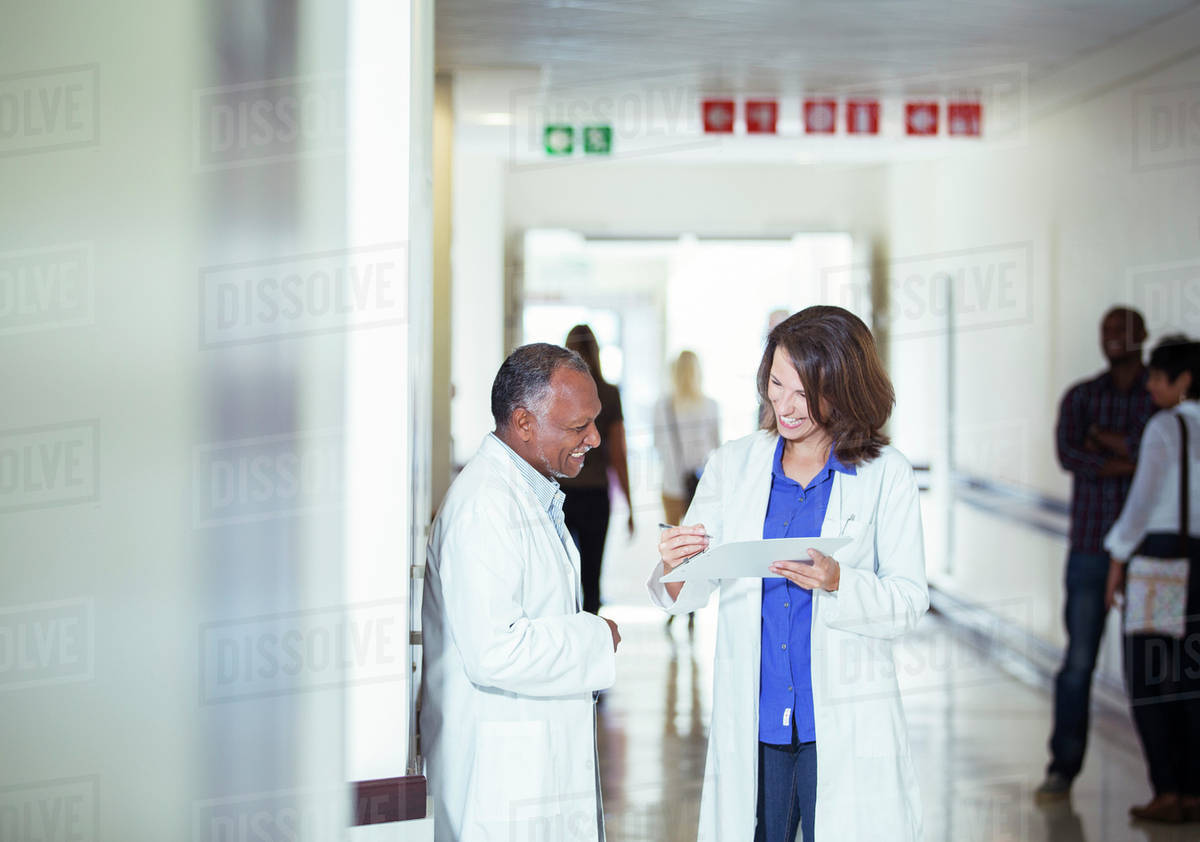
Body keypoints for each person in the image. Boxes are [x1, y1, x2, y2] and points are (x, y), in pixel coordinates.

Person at [648, 306, 928, 841]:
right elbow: (689, 588)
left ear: (845, 388)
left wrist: (840, 582)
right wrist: (673, 563)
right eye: (776, 384)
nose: (785, 405)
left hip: (839, 723)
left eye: (805, 392)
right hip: (756, 723)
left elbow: (909, 601)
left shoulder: (885, 475)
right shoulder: (735, 465)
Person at [421, 343, 622, 841]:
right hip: (500, 782)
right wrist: (596, 635)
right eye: (578, 427)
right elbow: (495, 650)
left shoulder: (530, 492)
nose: (594, 439)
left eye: (594, 421)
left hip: (528, 771)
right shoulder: (484, 507)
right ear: (524, 423)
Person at [1037, 307, 1157, 801]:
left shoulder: (1162, 393)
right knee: (1079, 661)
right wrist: (1129, 459)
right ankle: (1062, 769)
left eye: (1121, 331)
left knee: (1155, 665)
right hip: (1089, 551)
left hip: (1152, 556)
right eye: (1105, 330)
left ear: (1142, 337)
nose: (1111, 339)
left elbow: (1161, 450)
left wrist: (1107, 447)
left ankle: (1171, 785)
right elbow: (1069, 452)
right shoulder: (1083, 396)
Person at [1103, 336, 1200, 823]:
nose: (1153, 386)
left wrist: (1117, 559)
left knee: (1150, 676)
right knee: (1191, 678)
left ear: (1183, 381)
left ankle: (1168, 790)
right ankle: (1193, 790)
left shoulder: (1166, 427)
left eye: (1160, 378)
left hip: (1162, 562)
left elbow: (1141, 505)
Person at [559, 324, 634, 615]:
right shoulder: (608, 394)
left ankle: (565, 638)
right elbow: (618, 454)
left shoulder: (557, 393)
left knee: (560, 575)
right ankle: (589, 639)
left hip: (561, 493)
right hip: (595, 495)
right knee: (592, 576)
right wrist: (630, 506)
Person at [653, 350, 720, 631]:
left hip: (671, 484)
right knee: (695, 546)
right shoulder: (710, 405)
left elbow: (658, 444)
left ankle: (673, 601)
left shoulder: (663, 406)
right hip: (700, 485)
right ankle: (690, 604)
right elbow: (716, 447)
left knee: (672, 546)